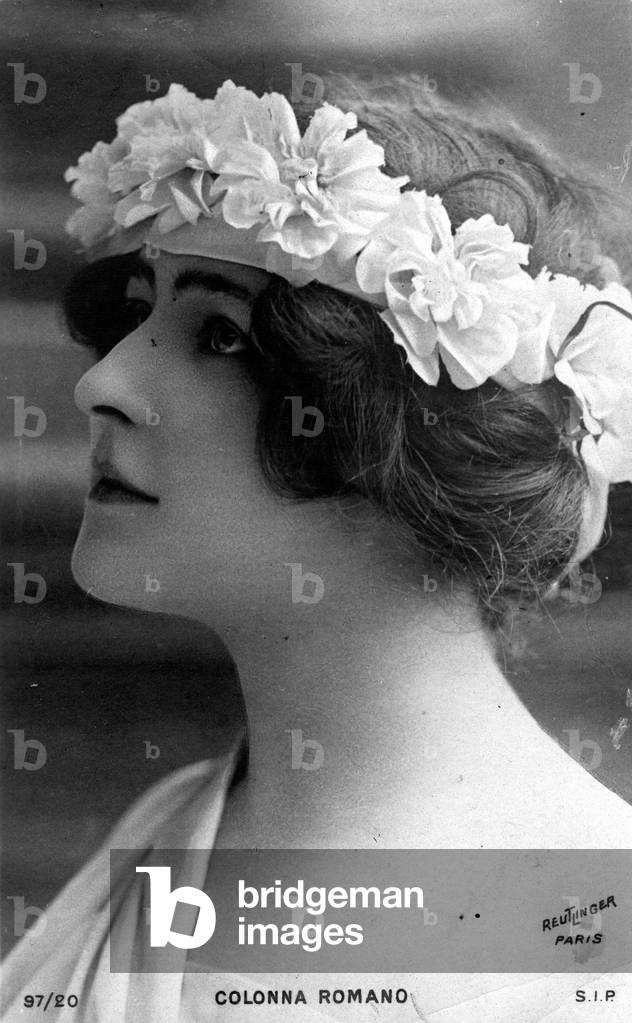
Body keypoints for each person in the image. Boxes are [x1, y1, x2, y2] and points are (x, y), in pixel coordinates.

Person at [3, 74, 632, 1021]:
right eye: (140, 314)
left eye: (218, 334)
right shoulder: (174, 826)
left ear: (405, 437)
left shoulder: (586, 949)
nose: (103, 379)